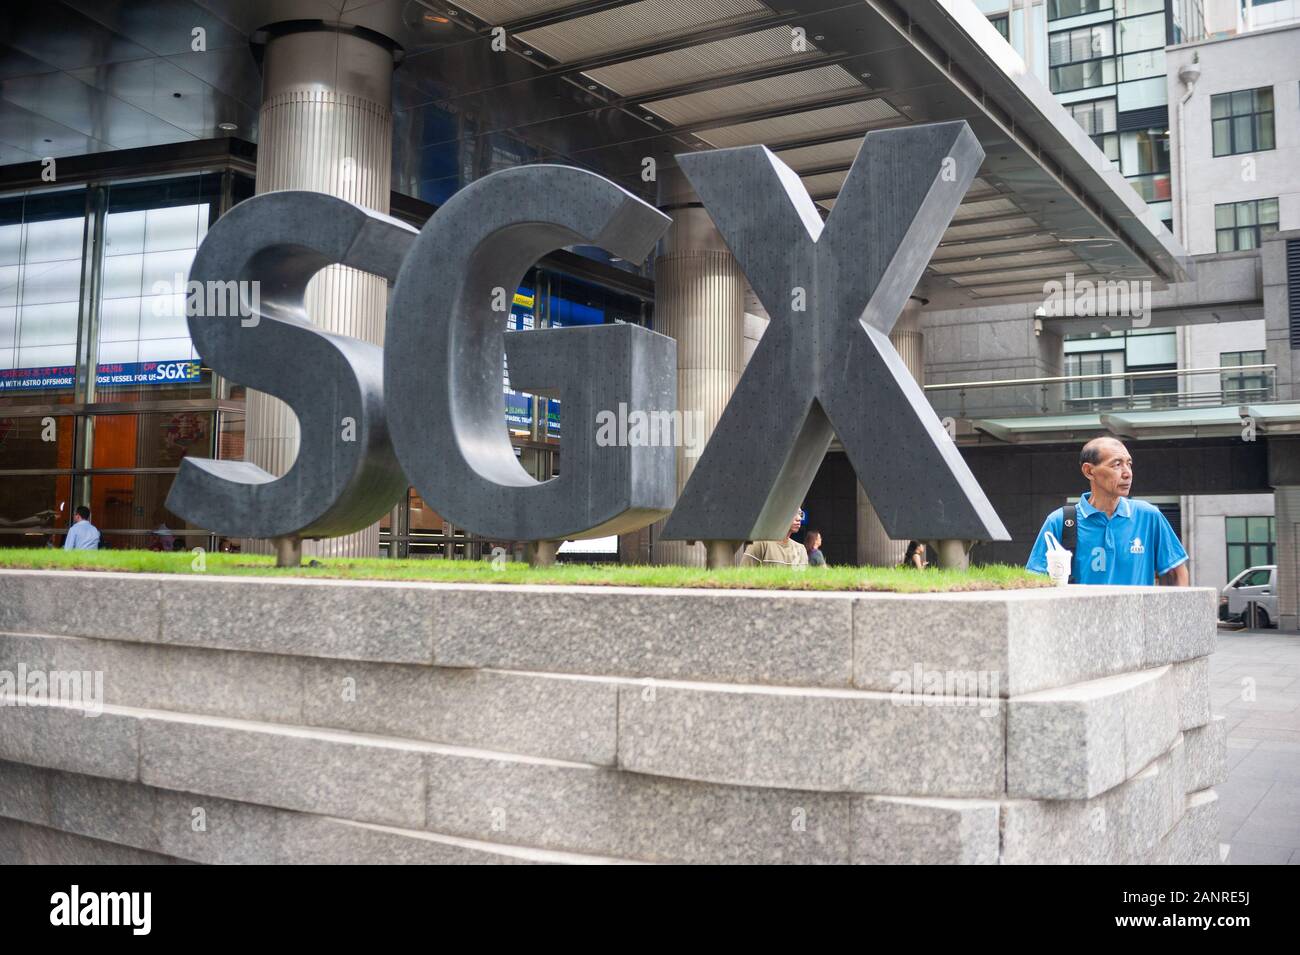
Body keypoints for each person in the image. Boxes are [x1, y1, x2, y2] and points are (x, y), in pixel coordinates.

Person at [1027, 436, 1188, 586]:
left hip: (1137, 617)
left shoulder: (1148, 516)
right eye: (1116, 464)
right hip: (1080, 616)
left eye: (1129, 464)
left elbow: (1175, 573)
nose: (1127, 473)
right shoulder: (1060, 521)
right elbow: (1035, 579)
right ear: (1089, 471)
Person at [741, 508, 809, 567]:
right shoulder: (760, 543)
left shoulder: (801, 549)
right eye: (794, 512)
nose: (799, 518)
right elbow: (743, 576)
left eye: (800, 514)